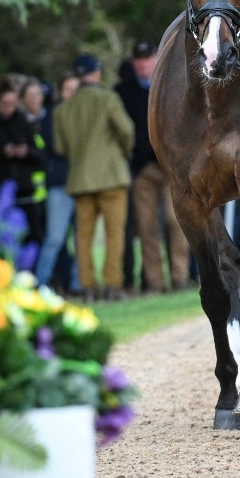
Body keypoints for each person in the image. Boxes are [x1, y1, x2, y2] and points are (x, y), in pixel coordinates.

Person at [55, 54, 134, 302]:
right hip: (111, 176)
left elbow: (60, 147)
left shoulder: (62, 109)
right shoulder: (108, 99)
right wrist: (122, 151)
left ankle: (87, 287)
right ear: (96, 73)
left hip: (80, 180)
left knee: (83, 237)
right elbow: (126, 131)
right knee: (114, 234)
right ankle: (112, 285)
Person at [115, 40, 191, 294]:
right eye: (139, 60)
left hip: (171, 166)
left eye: (147, 59)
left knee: (175, 221)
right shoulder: (122, 91)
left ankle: (180, 278)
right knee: (147, 228)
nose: (143, 64)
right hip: (142, 168)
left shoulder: (173, 85)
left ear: (156, 59)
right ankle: (155, 282)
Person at [0, 78, 47, 246]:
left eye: (12, 104)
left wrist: (26, 152)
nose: (8, 108)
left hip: (24, 190)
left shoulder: (22, 120)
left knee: (33, 237)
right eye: (4, 103)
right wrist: (2, 153)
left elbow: (39, 154)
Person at [34, 72, 81, 293]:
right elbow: (55, 146)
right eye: (68, 89)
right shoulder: (51, 116)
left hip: (83, 183)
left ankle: (78, 284)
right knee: (55, 238)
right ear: (60, 92)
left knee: (82, 239)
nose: (72, 94)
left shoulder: (85, 115)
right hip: (60, 183)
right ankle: (40, 283)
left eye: (76, 89)